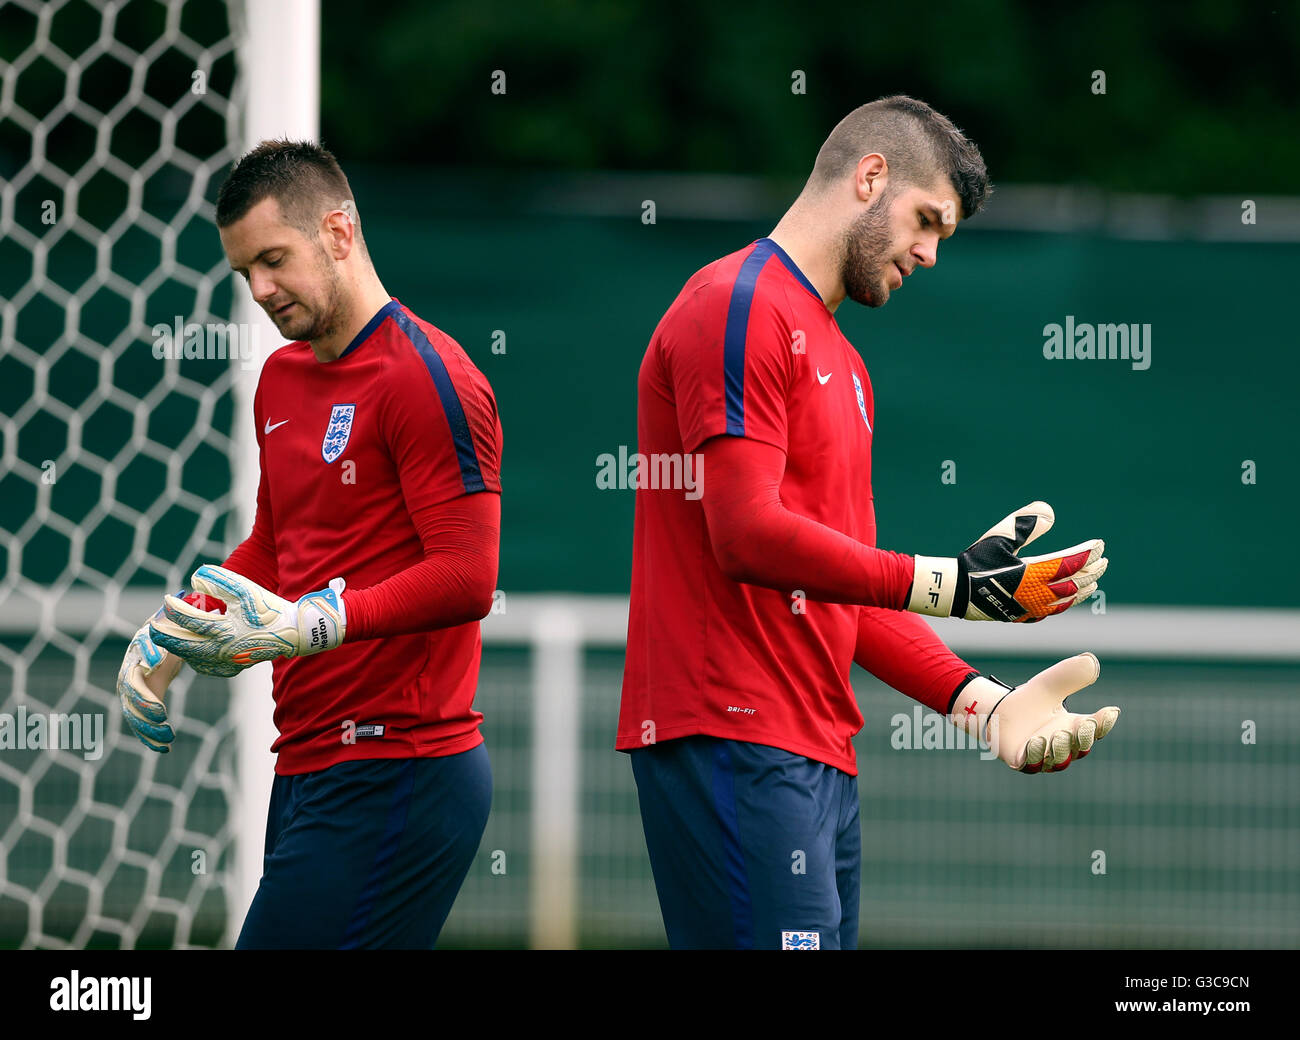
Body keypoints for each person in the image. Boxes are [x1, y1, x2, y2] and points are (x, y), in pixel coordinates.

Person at [616, 95, 1119, 951]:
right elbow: (745, 534)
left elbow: (844, 585)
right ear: (869, 177)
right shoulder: (737, 304)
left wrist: (983, 704)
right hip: (734, 734)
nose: (928, 253)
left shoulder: (845, 361)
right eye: (927, 222)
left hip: (814, 754)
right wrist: (951, 583)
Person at [117, 140, 502, 949]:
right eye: (244, 273)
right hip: (309, 765)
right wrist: (176, 634)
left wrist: (313, 623)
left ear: (338, 231)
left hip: (401, 764)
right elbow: (275, 542)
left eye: (273, 260)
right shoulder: (282, 377)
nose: (259, 290)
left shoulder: (431, 375)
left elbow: (469, 577)